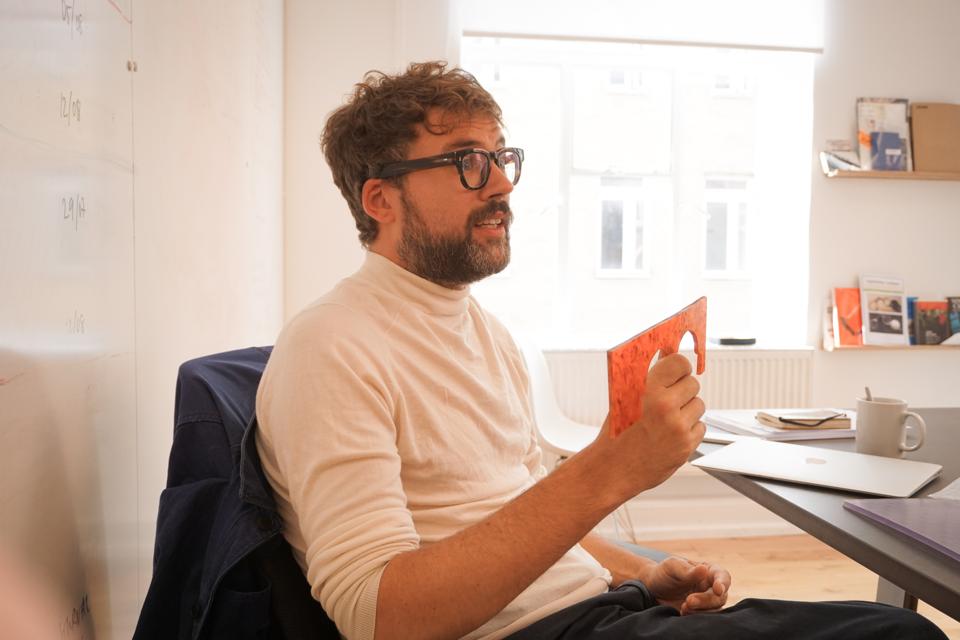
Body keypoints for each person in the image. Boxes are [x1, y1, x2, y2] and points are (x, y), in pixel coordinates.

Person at [255, 61, 946, 640]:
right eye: (468, 162)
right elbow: (379, 617)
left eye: (501, 157)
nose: (502, 184)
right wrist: (613, 467)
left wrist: (641, 572)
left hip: (607, 608)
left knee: (890, 627)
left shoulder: (486, 333)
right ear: (381, 199)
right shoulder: (331, 345)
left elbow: (522, 509)